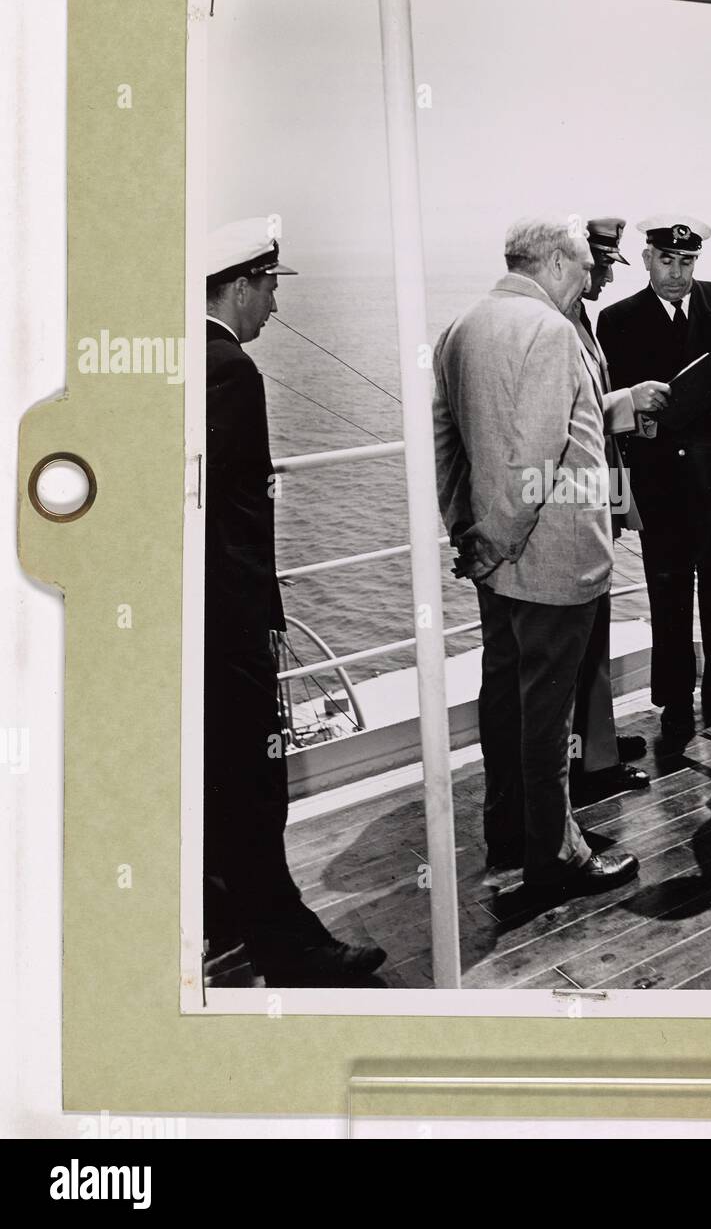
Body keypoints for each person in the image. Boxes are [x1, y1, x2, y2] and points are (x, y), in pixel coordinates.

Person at [432, 216, 640, 895]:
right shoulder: (550, 330)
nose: (586, 283)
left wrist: (468, 532)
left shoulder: (461, 327)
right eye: (582, 271)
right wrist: (501, 536)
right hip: (551, 560)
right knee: (547, 719)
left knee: (505, 702)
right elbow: (537, 453)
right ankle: (556, 857)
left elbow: (447, 445)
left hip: (493, 565)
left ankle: (508, 835)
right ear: (552, 264)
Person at [204, 218, 386, 986]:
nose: (275, 305)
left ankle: (222, 923)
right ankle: (290, 946)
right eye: (271, 286)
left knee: (217, 778)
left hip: (200, 619)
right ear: (242, 283)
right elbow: (228, 519)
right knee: (254, 781)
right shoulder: (227, 369)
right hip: (226, 620)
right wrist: (258, 621)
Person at [597, 215, 711, 744]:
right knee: (668, 592)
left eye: (687, 261)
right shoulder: (617, 319)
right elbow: (610, 407)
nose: (677, 273)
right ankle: (675, 700)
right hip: (661, 482)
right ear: (647, 259)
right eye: (667, 260)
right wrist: (619, 487)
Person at [568, 217, 670, 803]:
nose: (606, 276)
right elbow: (575, 416)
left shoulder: (579, 319)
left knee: (595, 628)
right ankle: (592, 761)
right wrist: (627, 402)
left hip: (598, 493)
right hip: (576, 502)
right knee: (584, 631)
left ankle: (597, 741)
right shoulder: (560, 324)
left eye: (609, 266)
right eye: (599, 267)